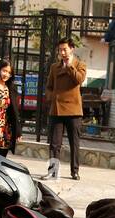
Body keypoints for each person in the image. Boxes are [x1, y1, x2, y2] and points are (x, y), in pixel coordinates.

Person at [42, 38, 86, 181]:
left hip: (74, 110)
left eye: (64, 49)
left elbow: (79, 80)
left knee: (74, 143)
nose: (62, 53)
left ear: (72, 49)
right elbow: (49, 86)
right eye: (60, 50)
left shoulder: (80, 64)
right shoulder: (54, 67)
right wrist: (51, 96)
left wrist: (69, 66)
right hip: (57, 109)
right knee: (54, 144)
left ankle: (75, 171)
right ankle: (53, 171)